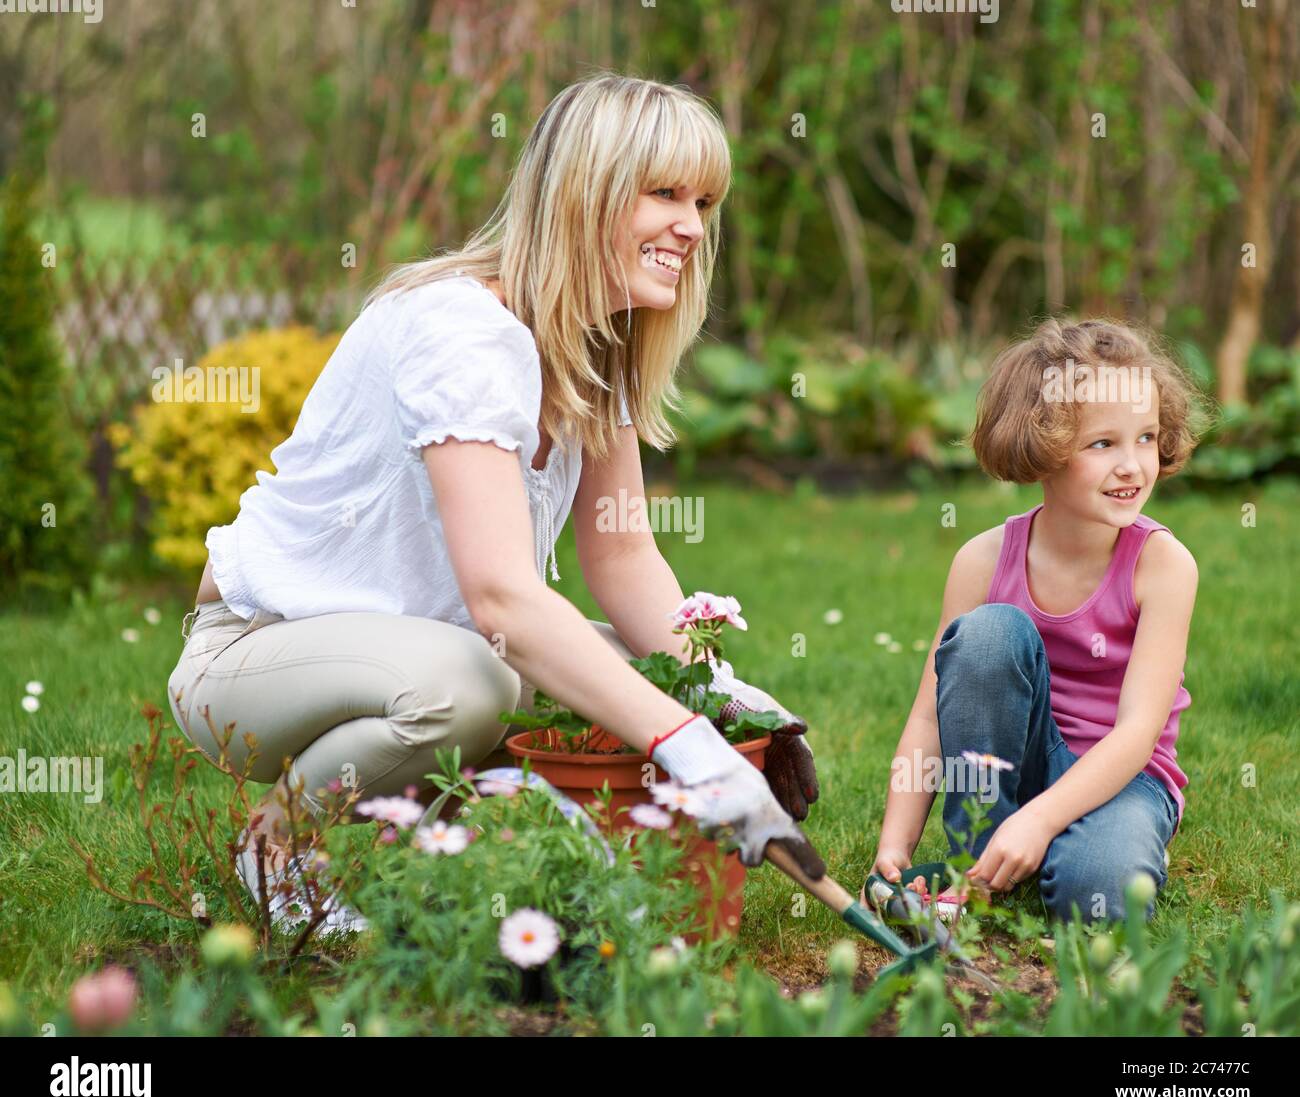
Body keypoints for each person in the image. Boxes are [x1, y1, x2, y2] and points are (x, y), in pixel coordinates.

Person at [166, 72, 824, 932]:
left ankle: (454, 860)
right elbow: (503, 600)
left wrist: (726, 702)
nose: (691, 227)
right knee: (470, 683)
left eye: (703, 201)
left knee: (615, 683)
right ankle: (279, 848)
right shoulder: (462, 333)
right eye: (663, 193)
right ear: (583, 194)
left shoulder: (599, 352)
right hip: (255, 654)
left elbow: (623, 558)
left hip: (425, 649)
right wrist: (686, 743)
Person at [869, 317, 1208, 923]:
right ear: (1044, 448)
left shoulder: (1163, 566)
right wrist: (894, 846)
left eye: (1147, 437)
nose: (1133, 465)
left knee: (1098, 898)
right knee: (989, 634)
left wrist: (1041, 819)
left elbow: (1137, 734)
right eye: (1103, 444)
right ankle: (978, 858)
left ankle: (1051, 843)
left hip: (1124, 777)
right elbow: (927, 717)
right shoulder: (980, 560)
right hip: (1018, 767)